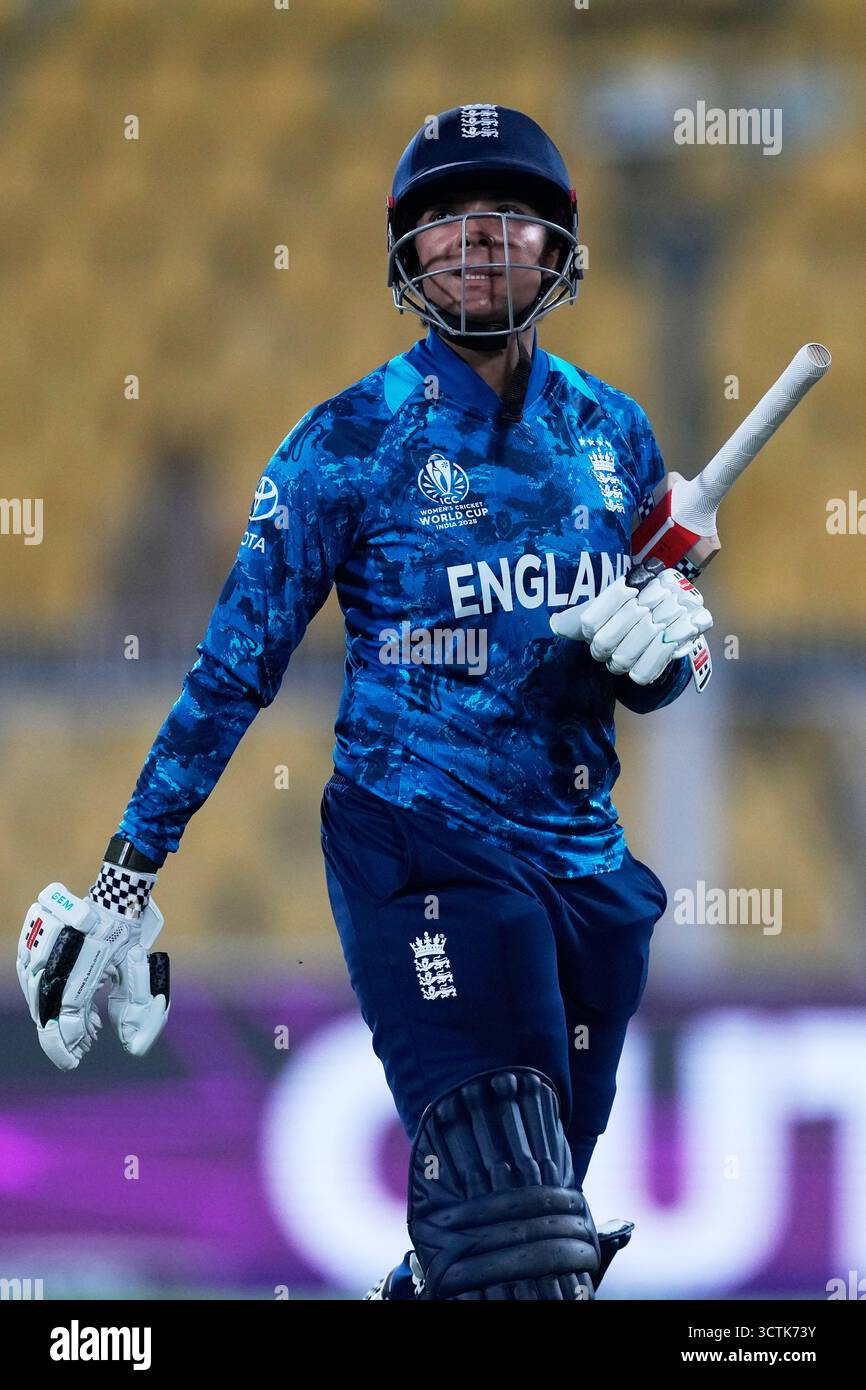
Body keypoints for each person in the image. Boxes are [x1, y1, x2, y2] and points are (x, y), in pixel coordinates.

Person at [16, 104, 713, 1301]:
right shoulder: (343, 445)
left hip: (585, 875)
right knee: (517, 1243)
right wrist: (127, 879)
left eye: (504, 213)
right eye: (442, 217)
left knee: (507, 1247)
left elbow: (657, 658)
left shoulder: (613, 435)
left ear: (558, 246)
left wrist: (663, 660)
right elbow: (234, 668)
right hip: (420, 847)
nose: (474, 238)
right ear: (405, 256)